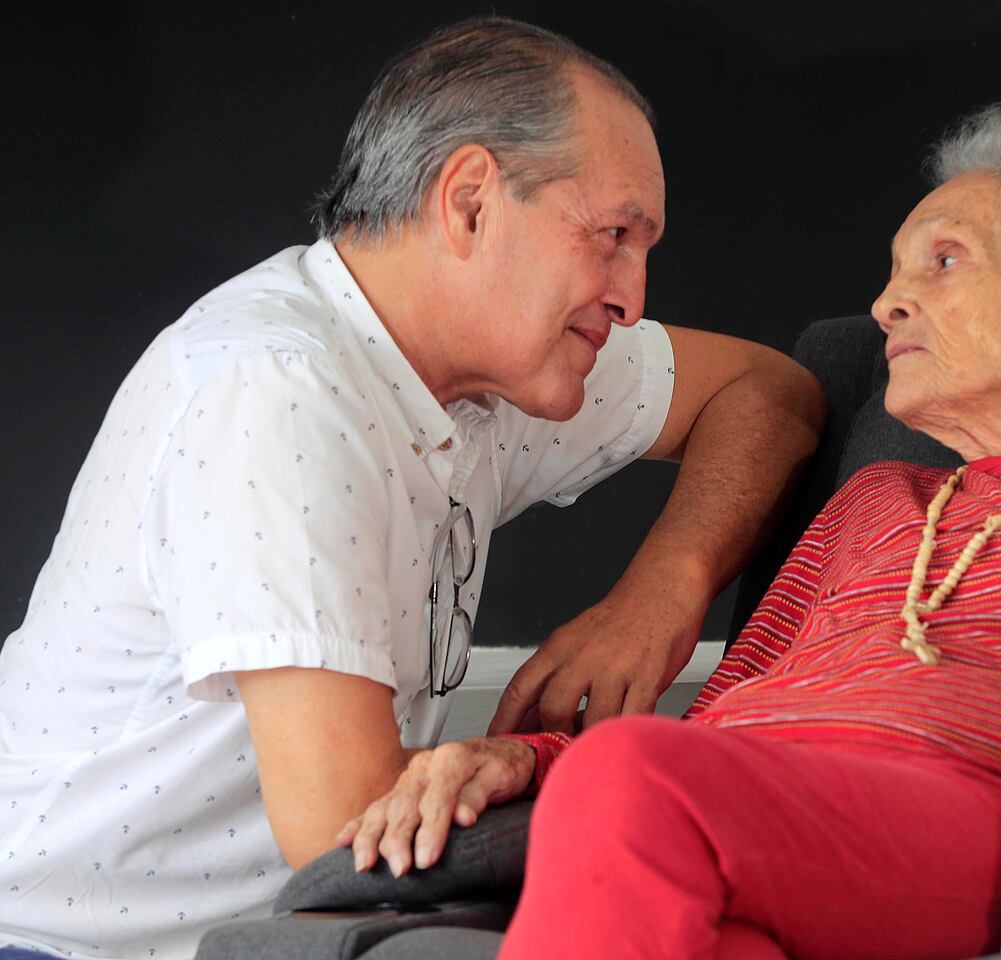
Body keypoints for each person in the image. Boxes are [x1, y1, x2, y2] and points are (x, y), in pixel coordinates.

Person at [342, 105, 1001, 960]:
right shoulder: (874, 500)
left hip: (962, 806)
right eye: (896, 270)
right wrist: (517, 757)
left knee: (629, 778)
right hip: (755, 818)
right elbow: (727, 717)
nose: (886, 304)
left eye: (943, 262)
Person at [0, 17, 825, 960]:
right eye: (612, 237)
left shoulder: (490, 370)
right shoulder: (277, 391)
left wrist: (663, 592)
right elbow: (350, 832)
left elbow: (774, 392)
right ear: (470, 202)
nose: (632, 295)